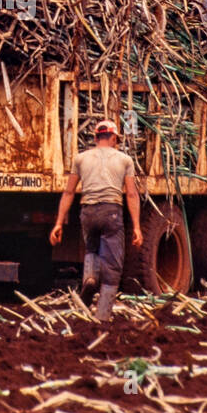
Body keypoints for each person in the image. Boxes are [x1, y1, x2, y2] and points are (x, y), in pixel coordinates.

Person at [49, 120, 143, 323]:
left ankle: (90, 278)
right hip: (111, 212)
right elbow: (132, 194)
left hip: (87, 212)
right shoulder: (125, 160)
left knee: (91, 248)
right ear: (114, 138)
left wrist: (58, 223)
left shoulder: (81, 159)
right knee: (113, 266)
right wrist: (136, 226)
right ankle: (102, 316)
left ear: (95, 138)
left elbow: (68, 192)